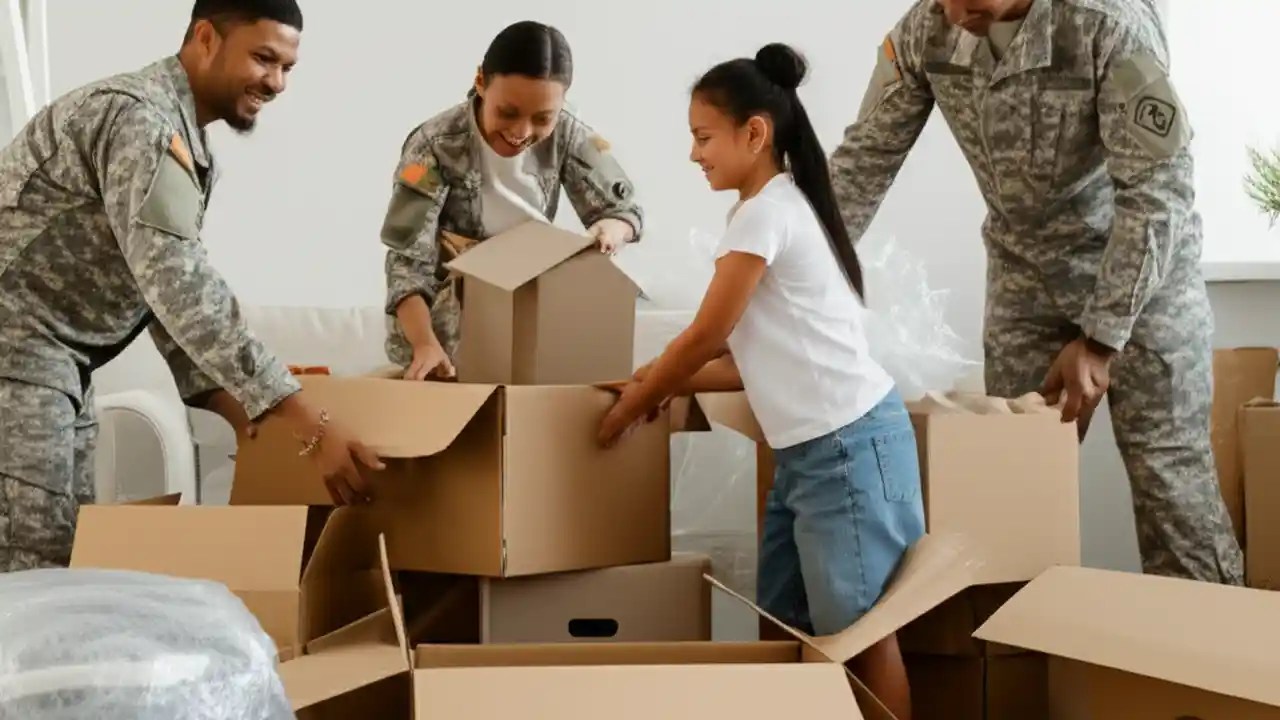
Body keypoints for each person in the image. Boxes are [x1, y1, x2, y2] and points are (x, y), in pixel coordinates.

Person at [831, 0, 1243, 585]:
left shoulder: (1109, 24)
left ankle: (1210, 663)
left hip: (1143, 284)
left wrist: (1100, 338)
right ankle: (1020, 671)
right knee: (1009, 499)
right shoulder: (930, 27)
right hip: (1026, 280)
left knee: (1171, 489)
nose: (953, 11)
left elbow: (1159, 192)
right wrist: (786, 275)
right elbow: (860, 165)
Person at [0, 0, 384, 573]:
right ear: (206, 38)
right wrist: (306, 420)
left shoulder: (185, 143)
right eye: (263, 58)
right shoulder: (142, 122)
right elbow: (180, 284)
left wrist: (249, 416)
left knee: (57, 556)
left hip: (56, 359)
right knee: (32, 562)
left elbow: (157, 299)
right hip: (20, 347)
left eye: (287, 67)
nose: (276, 82)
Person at [598, 43, 924, 719]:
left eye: (702, 137)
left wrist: (641, 399)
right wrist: (667, 384)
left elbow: (705, 336)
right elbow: (750, 359)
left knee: (858, 638)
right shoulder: (771, 210)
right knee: (785, 624)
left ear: (755, 133)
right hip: (811, 456)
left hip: (847, 451)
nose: (694, 154)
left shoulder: (765, 215)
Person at [380, 20, 645, 381]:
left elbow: (625, 211)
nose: (521, 133)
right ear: (480, 82)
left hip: (536, 309)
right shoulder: (434, 145)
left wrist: (612, 230)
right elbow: (407, 264)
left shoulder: (568, 135)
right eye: (507, 112)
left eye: (542, 118)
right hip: (456, 325)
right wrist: (426, 344)